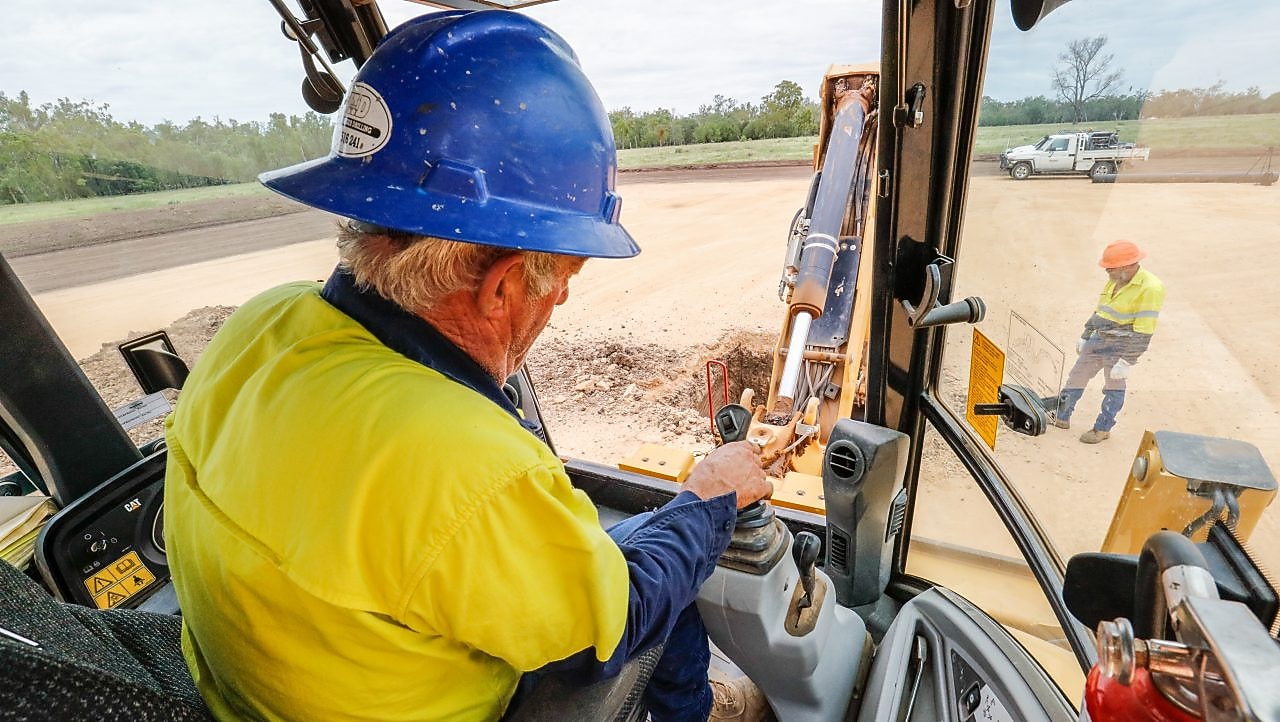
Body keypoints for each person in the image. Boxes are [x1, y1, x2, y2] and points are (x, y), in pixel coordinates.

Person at [162, 10, 772, 722]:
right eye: (564, 277)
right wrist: (710, 493)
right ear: (503, 285)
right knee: (671, 568)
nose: (559, 302)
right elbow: (608, 628)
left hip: (264, 690)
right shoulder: (466, 464)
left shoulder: (260, 323)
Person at [1052, 240, 1165, 444]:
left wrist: (1127, 361)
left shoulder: (1151, 288)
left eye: (1110, 268)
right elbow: (1102, 309)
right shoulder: (1117, 278)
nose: (1107, 272)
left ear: (1128, 266)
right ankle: (1061, 415)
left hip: (1121, 345)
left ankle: (1102, 428)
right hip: (1099, 338)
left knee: (1113, 389)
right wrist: (1086, 333)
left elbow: (1144, 330)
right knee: (1076, 377)